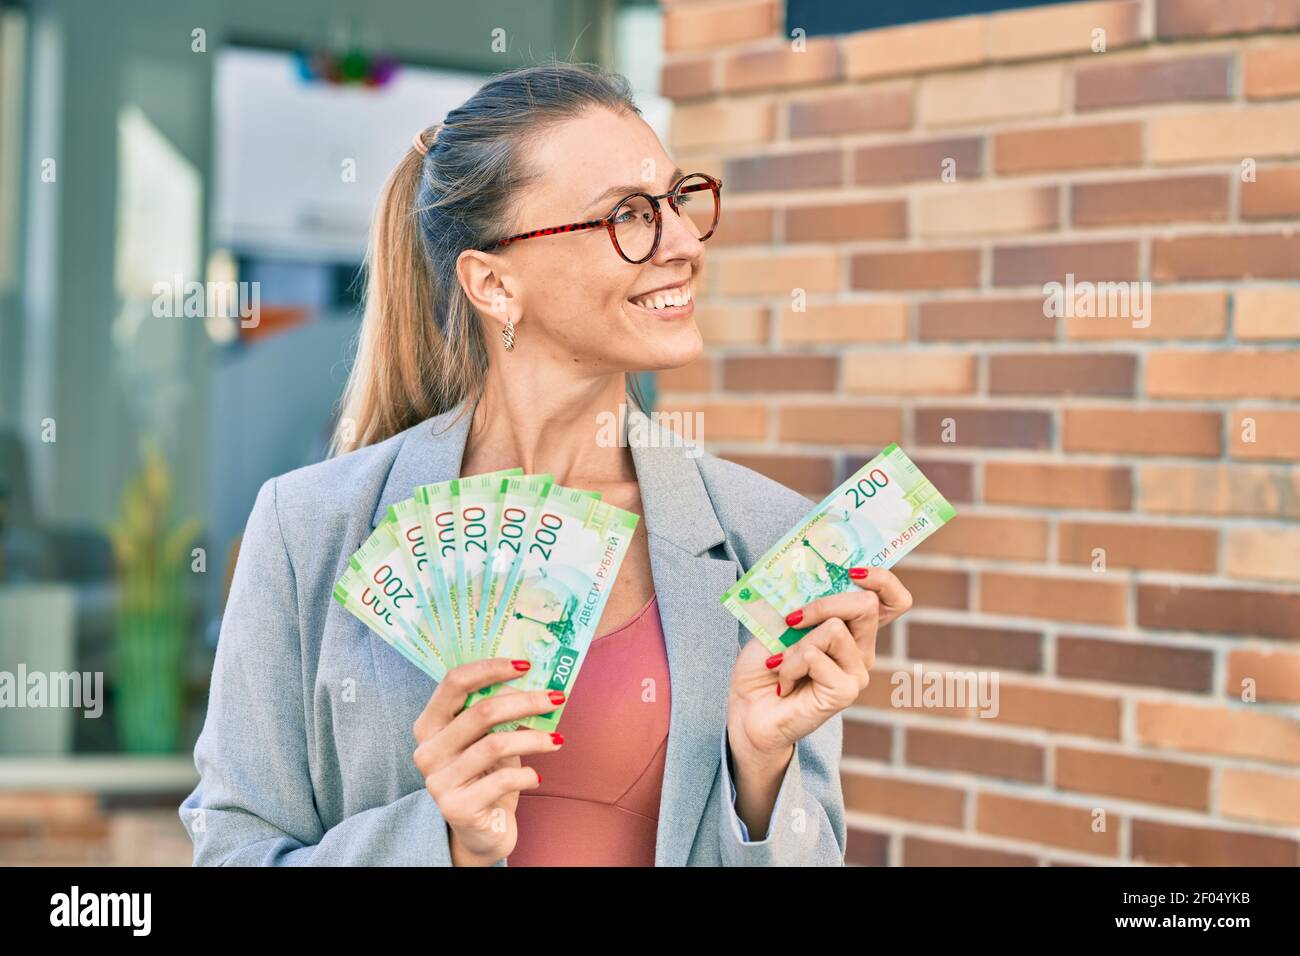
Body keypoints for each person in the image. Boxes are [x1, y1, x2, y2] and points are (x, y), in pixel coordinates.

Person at [180, 60, 913, 866]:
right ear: (493, 283)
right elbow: (233, 851)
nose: (681, 245)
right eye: (628, 216)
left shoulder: (766, 537)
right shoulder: (308, 528)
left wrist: (762, 775)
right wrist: (442, 843)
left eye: (678, 201)